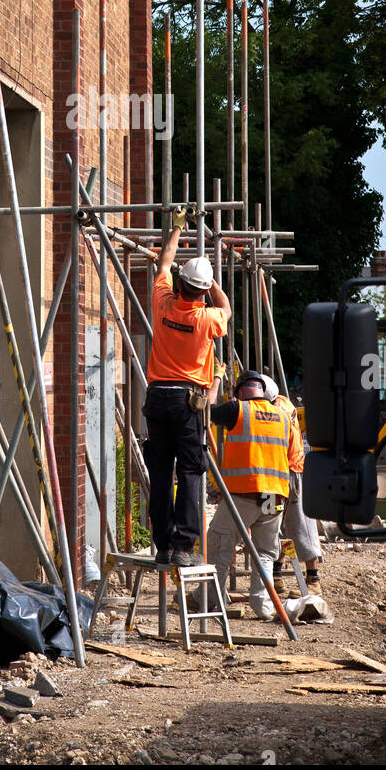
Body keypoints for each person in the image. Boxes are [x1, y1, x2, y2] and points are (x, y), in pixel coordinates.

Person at [143, 206, 230, 567]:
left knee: (161, 472)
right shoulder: (208, 317)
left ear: (180, 285)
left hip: (157, 396)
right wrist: (212, 284)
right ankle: (183, 548)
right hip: (188, 400)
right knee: (191, 470)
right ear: (203, 291)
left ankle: (163, 543)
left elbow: (164, 264)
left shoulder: (162, 303)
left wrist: (177, 228)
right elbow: (226, 307)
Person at [206, 370, 299, 620]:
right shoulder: (283, 415)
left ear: (240, 391)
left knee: (220, 543)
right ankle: (263, 605)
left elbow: (206, 412)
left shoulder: (238, 409)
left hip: (245, 493)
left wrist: (215, 379)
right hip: (276, 497)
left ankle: (211, 600)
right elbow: (293, 454)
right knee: (265, 552)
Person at [271, 385, 324, 598]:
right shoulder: (279, 403)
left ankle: (313, 579)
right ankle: (276, 575)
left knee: (302, 526)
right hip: (279, 472)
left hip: (292, 472)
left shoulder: (278, 408)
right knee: (278, 524)